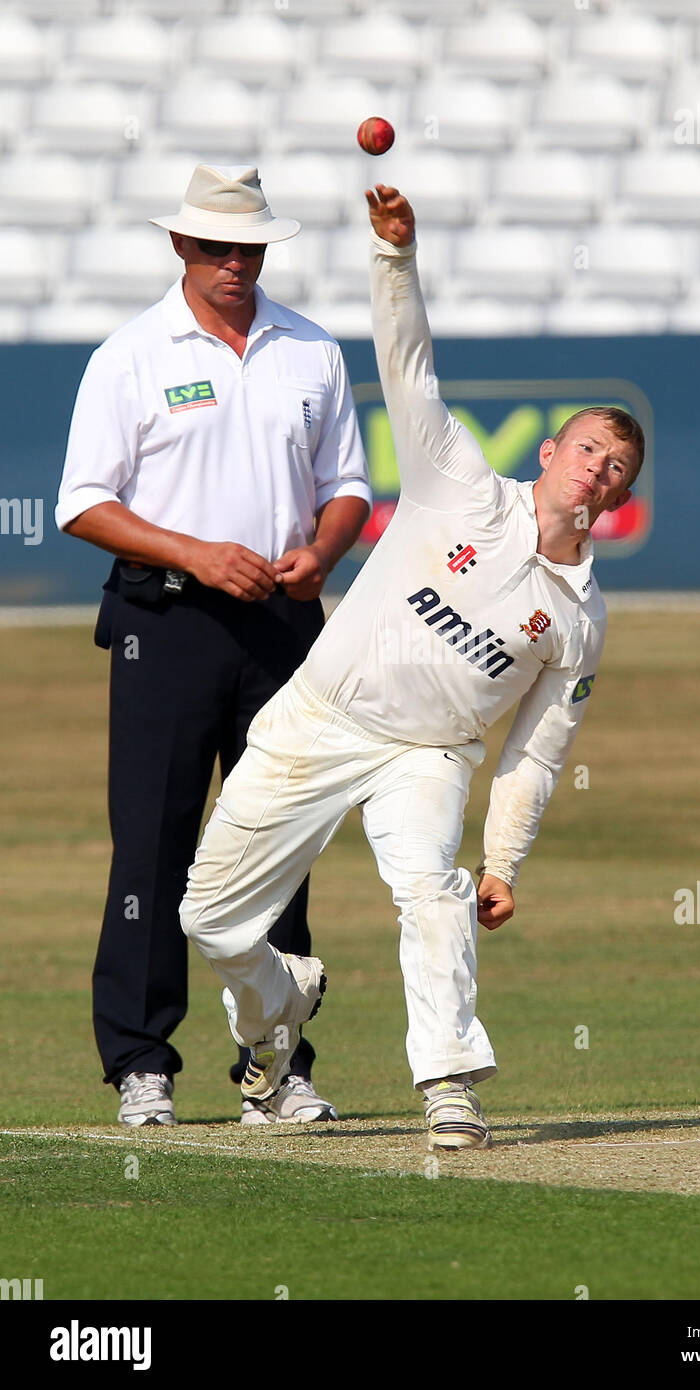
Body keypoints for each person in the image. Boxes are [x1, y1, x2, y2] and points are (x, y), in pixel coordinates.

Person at [179, 184, 644, 1150]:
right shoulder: (459, 481)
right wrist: (395, 258)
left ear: (616, 497)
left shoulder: (579, 617)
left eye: (614, 470)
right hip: (322, 714)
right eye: (587, 449)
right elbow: (408, 367)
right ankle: (282, 999)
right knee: (211, 920)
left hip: (429, 754)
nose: (593, 471)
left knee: (434, 896)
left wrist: (503, 863)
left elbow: (536, 752)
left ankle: (448, 1085)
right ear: (552, 449)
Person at [55, 163, 371, 1128]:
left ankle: (276, 1062)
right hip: (167, 623)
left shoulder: (310, 348)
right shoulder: (131, 354)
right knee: (153, 846)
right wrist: (195, 553)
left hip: (282, 622)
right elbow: (82, 504)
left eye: (252, 249)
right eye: (218, 248)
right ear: (181, 248)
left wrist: (322, 551)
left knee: (280, 846)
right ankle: (143, 1061)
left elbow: (348, 485)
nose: (237, 264)